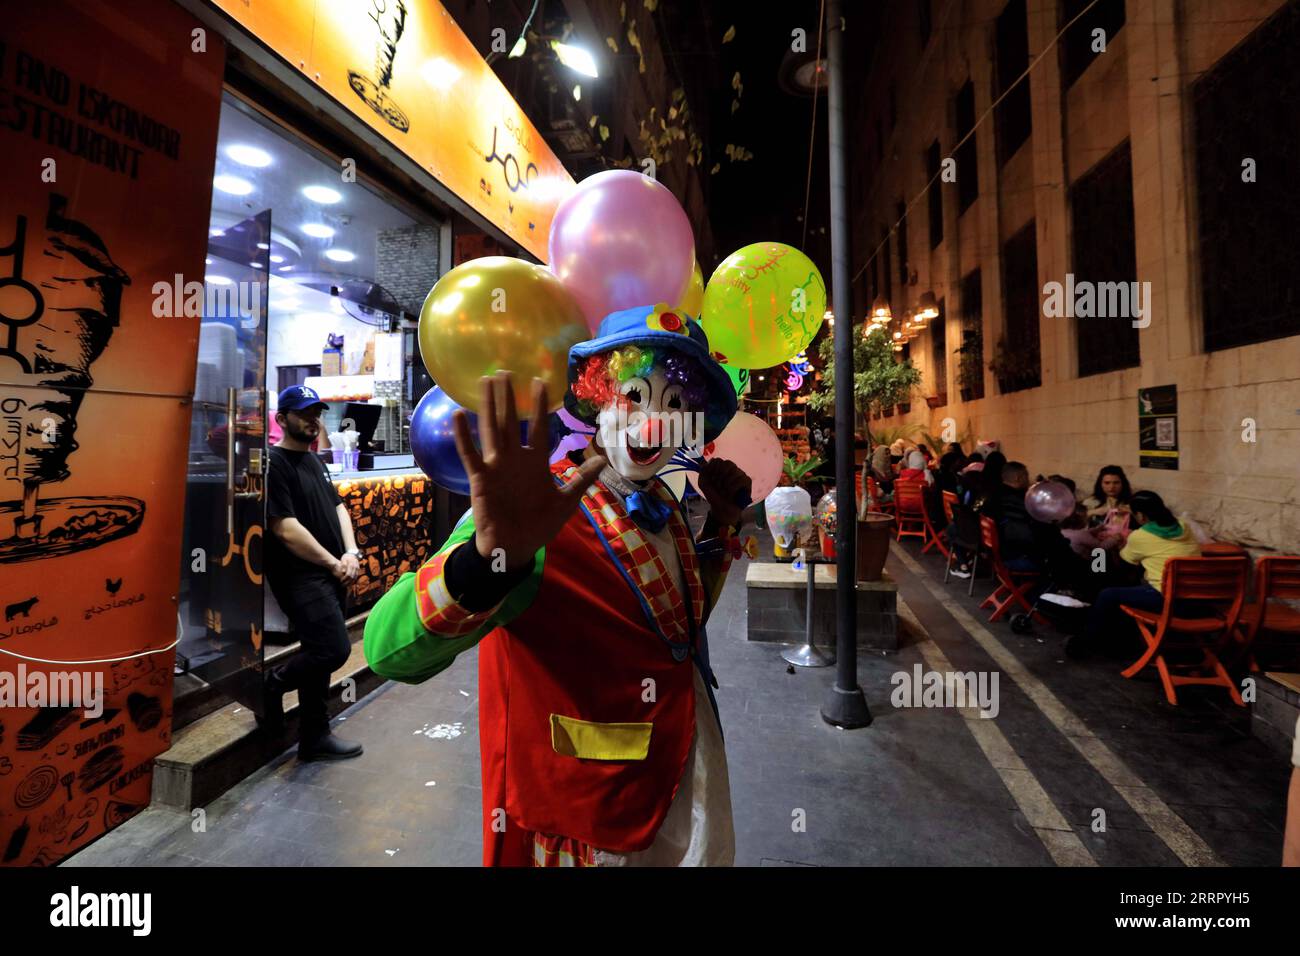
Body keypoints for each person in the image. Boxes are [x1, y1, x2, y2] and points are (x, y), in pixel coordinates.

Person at [364, 305, 751, 867]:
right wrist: (488, 562)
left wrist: (720, 524)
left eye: (677, 408)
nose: (652, 425)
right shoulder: (539, 512)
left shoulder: (666, 506)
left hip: (681, 774)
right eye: (634, 397)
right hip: (586, 816)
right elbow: (385, 650)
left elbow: (677, 631)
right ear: (596, 399)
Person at [263, 384, 364, 761]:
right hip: (300, 575)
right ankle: (273, 684)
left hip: (333, 570)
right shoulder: (274, 463)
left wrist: (350, 552)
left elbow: (339, 509)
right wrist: (333, 562)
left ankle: (314, 736)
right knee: (332, 649)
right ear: (281, 419)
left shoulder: (315, 461)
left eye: (316, 413)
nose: (313, 420)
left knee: (317, 651)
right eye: (304, 414)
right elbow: (284, 528)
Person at [1067, 490, 1200, 659]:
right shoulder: (1183, 526)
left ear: (1141, 516)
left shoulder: (1141, 536)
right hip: (1195, 598)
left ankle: (1088, 641)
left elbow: (1117, 560)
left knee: (1107, 591)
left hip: (1166, 598)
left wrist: (1116, 541)